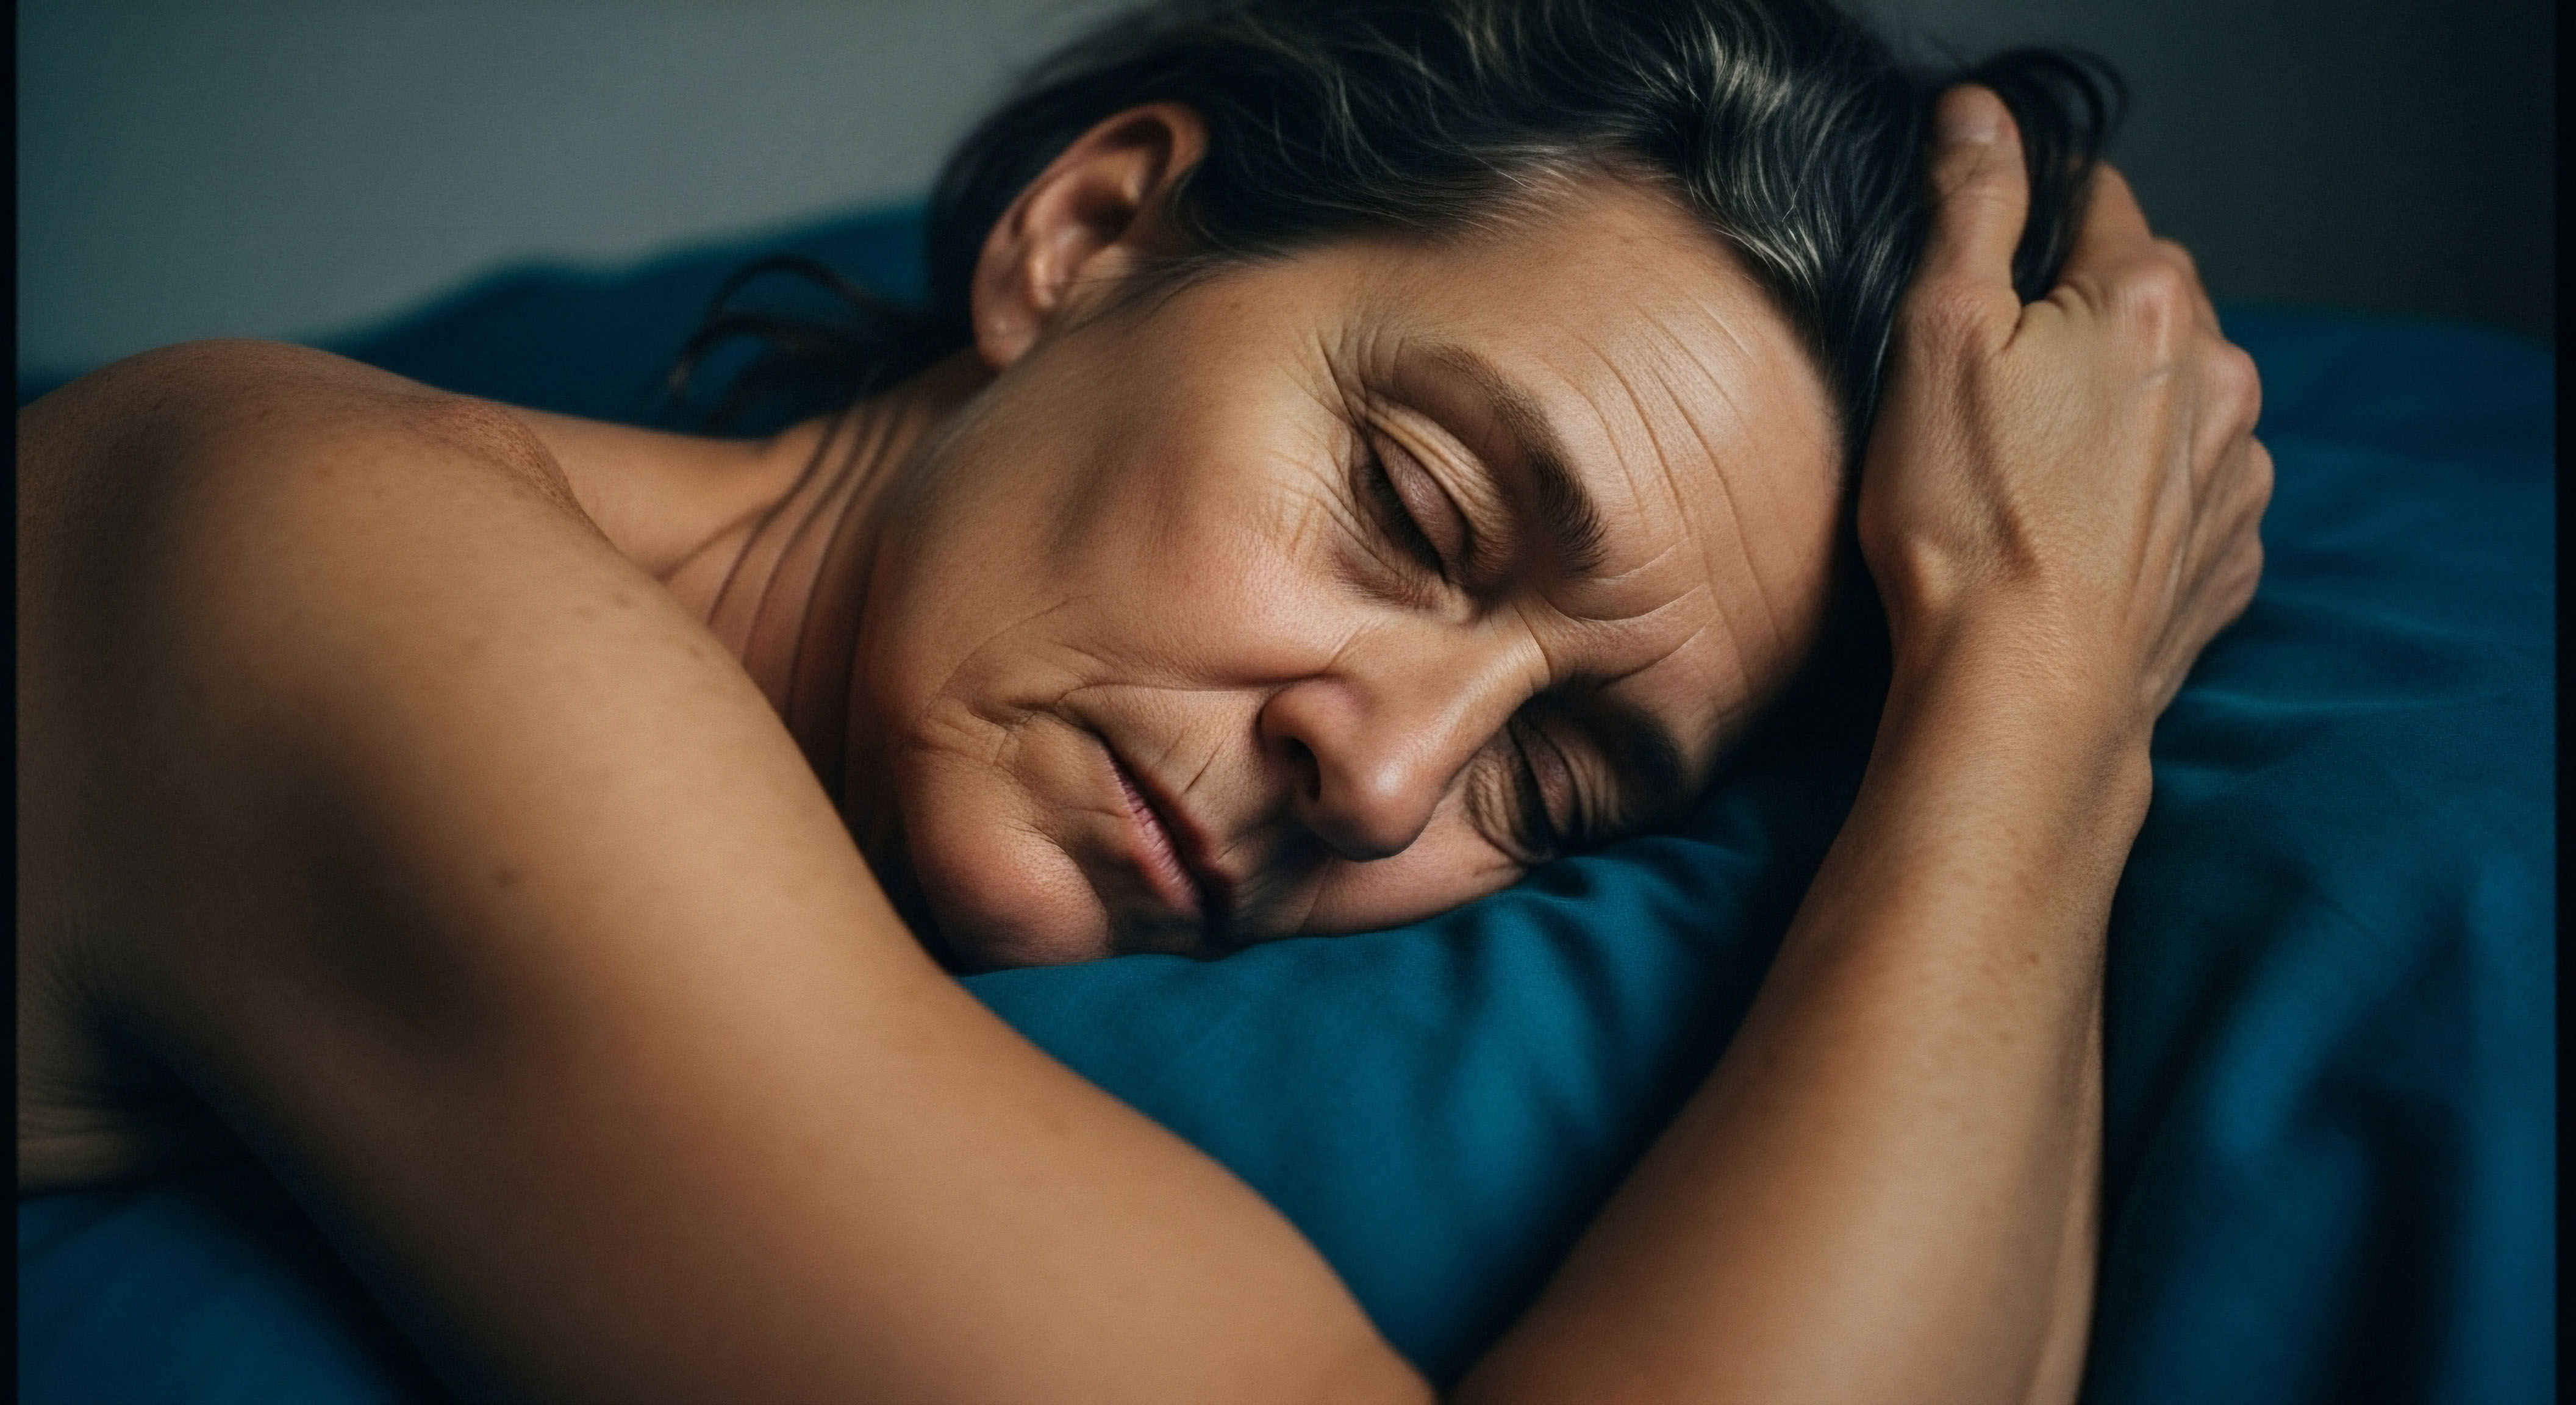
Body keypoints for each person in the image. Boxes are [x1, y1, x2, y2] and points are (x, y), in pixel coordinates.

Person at [17, 0, 2268, 1399]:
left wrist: (2044, 684)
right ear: (1086, 236)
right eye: (1413, 508)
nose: (1386, 776)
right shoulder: (304, 544)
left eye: (1553, 786)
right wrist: (2039, 676)